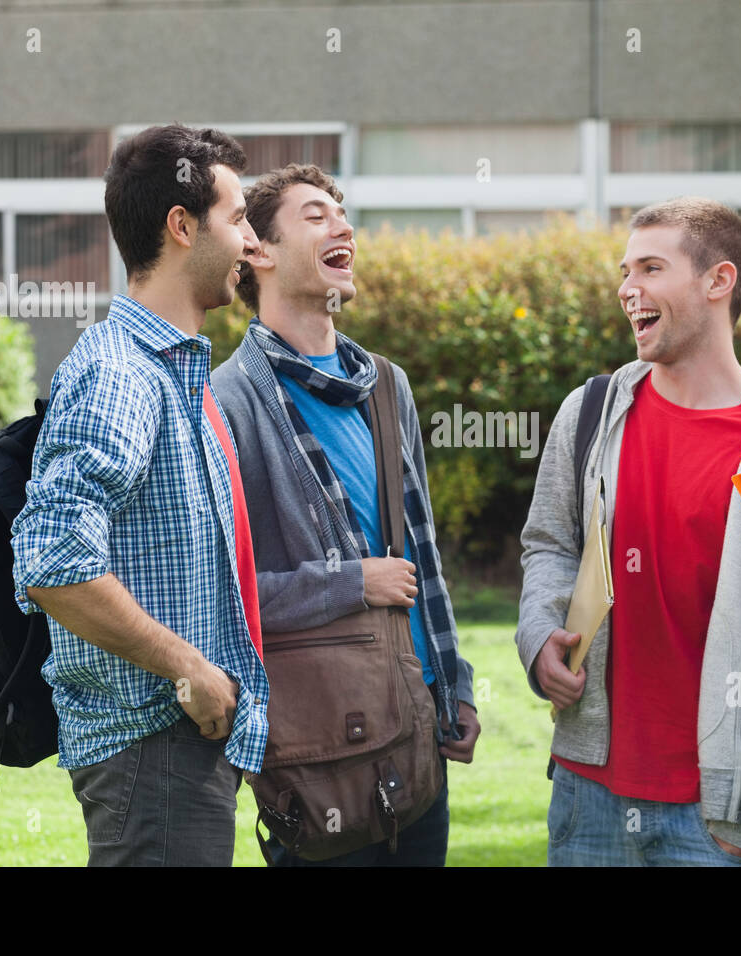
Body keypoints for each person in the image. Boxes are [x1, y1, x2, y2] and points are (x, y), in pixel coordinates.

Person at [516, 197, 741, 866]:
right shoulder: (591, 412)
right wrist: (539, 636)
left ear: (718, 281)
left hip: (711, 816)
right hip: (586, 792)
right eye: (626, 271)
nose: (629, 289)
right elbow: (549, 544)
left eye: (652, 268)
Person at [11, 124, 270, 866]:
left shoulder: (173, 371)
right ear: (182, 226)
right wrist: (188, 666)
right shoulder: (122, 374)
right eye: (238, 218)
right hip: (150, 754)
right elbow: (52, 559)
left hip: (174, 754)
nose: (252, 241)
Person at [211, 163, 479, 866]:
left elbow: (420, 558)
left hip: (420, 734)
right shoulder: (227, 403)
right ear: (258, 252)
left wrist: (456, 685)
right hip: (316, 752)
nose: (343, 226)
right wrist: (349, 582)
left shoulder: (387, 386)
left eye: (342, 212)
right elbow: (217, 596)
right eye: (315, 215)